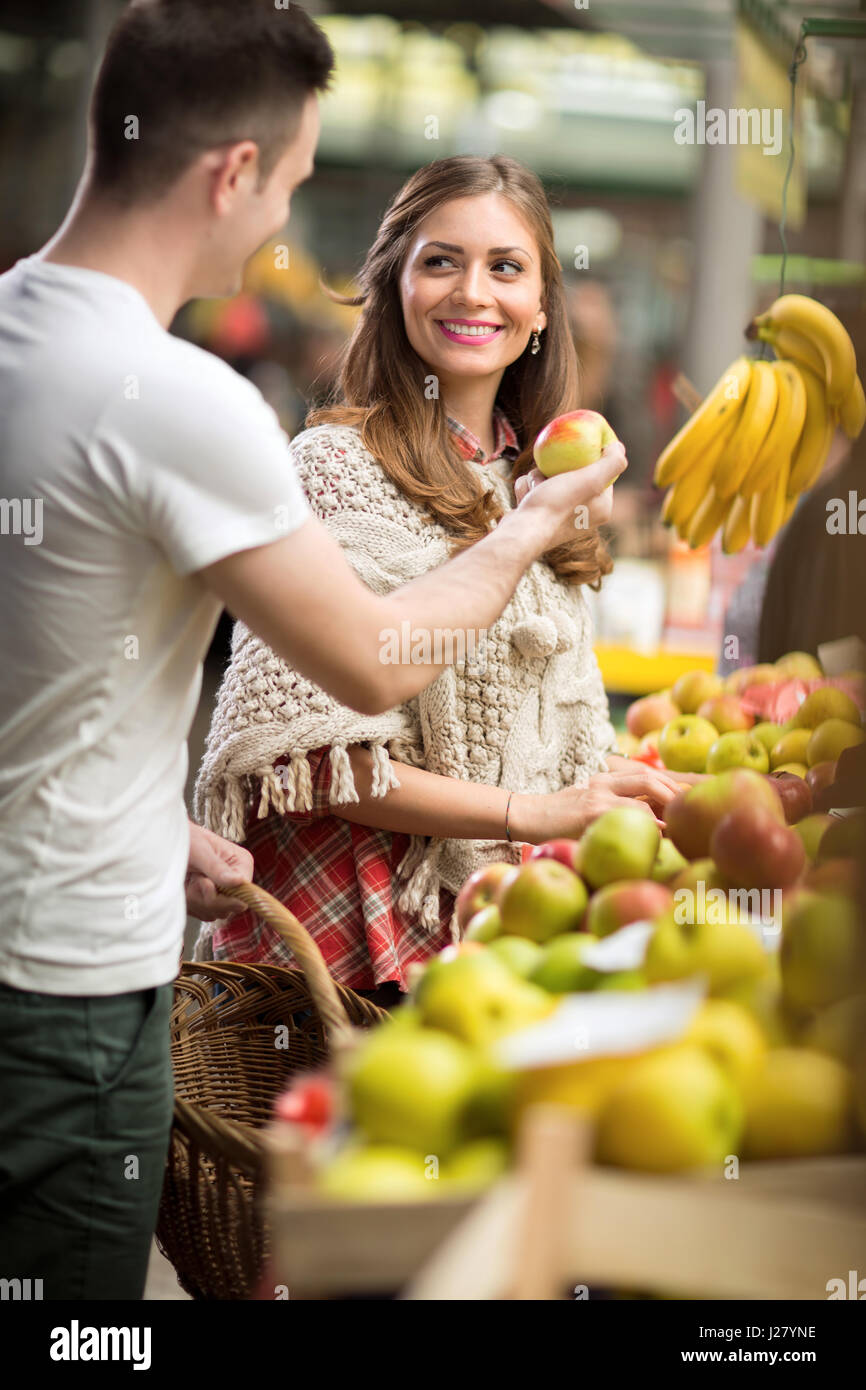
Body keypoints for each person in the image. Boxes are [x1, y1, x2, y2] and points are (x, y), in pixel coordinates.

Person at [0, 2, 628, 1300]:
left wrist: (128, 817)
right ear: (234, 173)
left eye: (508, 268)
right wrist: (533, 528)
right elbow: (374, 664)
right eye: (288, 180)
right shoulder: (189, 405)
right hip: (66, 988)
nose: (285, 219)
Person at [195, 156, 683, 1001]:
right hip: (349, 931)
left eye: (505, 267)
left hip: (497, 929)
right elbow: (311, 760)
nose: (472, 292)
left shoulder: (541, 483)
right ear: (395, 288)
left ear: (539, 309)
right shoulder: (333, 465)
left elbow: (563, 737)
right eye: (439, 261)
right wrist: (525, 814)